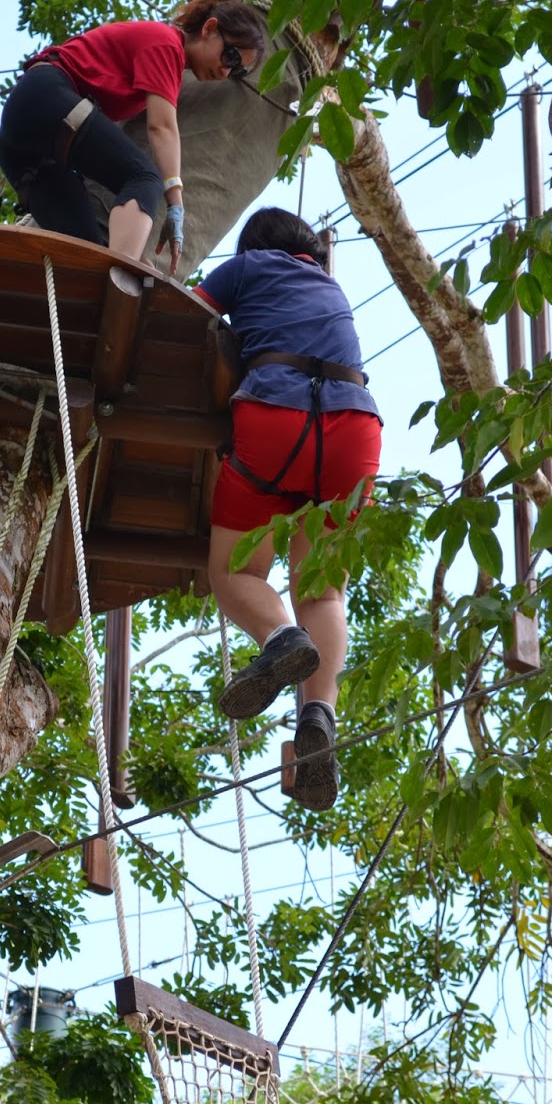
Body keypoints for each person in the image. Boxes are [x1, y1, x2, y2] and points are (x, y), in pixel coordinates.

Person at [196, 207, 383, 812]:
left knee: (235, 573)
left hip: (275, 417)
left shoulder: (245, 267)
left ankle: (280, 640)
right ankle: (318, 713)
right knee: (325, 593)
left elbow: (185, 319)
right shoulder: (333, 289)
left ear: (255, 245)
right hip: (354, 428)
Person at [0, 0, 265, 275]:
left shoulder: (166, 55)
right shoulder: (166, 44)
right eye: (230, 57)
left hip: (21, 150)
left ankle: (106, 276)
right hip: (46, 96)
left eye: (235, 71)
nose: (224, 72)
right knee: (145, 178)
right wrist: (176, 203)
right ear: (210, 29)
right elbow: (161, 127)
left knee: (86, 249)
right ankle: (119, 275)